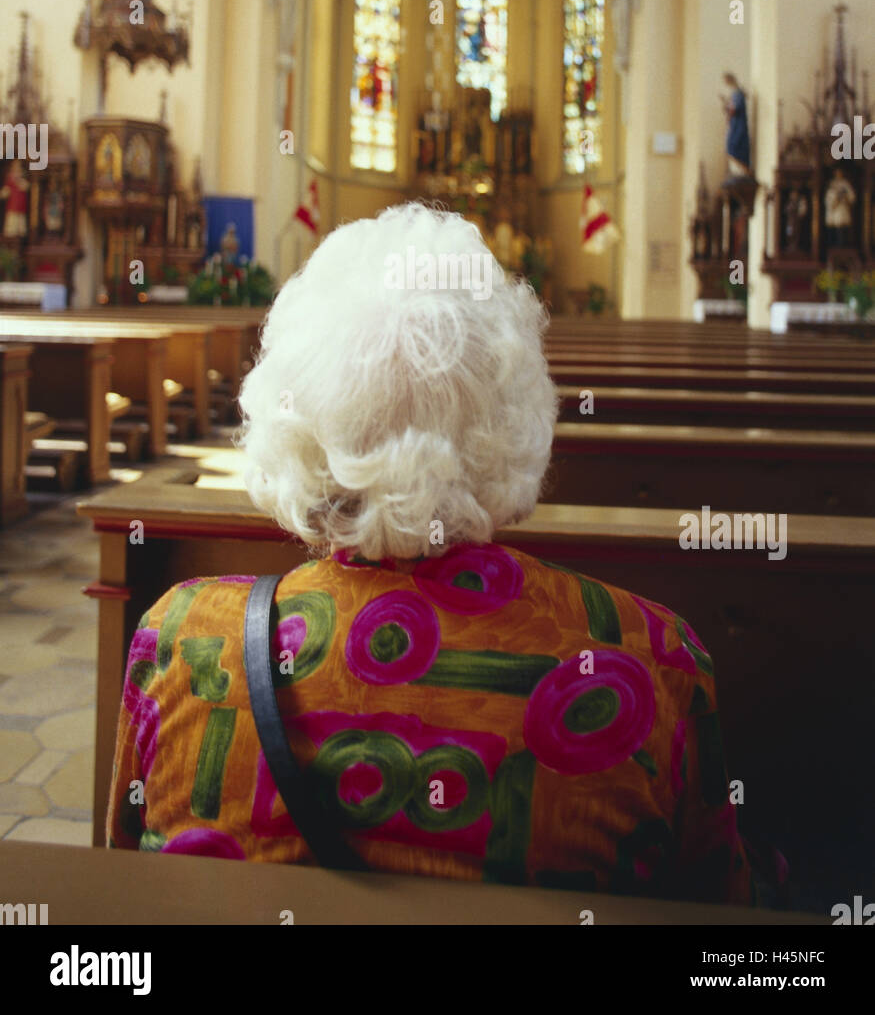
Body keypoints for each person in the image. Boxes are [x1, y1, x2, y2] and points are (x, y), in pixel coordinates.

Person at [107, 202, 753, 904]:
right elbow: (719, 915)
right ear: (517, 416)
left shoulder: (183, 643)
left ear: (293, 417)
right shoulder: (650, 659)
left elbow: (120, 888)